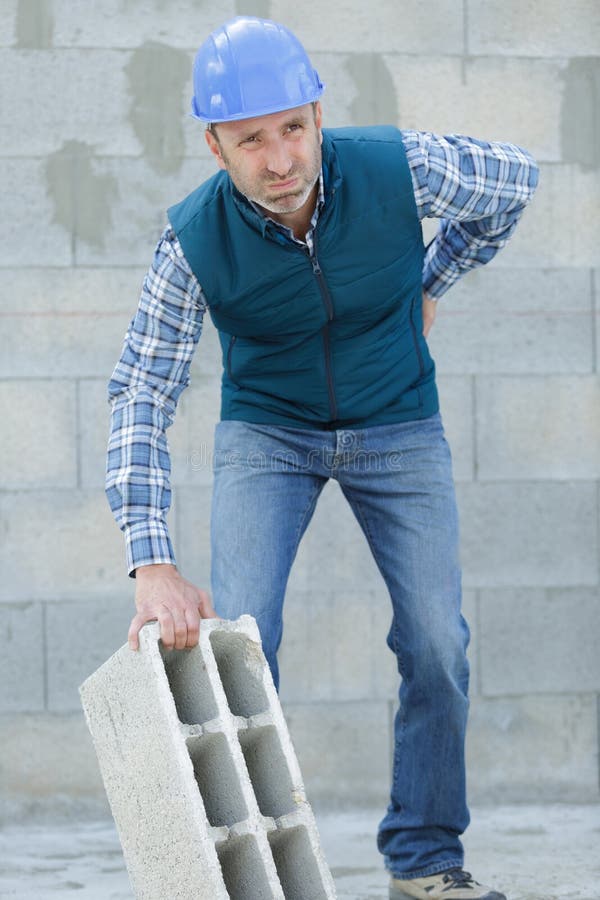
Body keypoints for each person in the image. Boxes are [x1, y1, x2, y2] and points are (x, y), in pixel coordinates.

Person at [106, 16, 538, 900]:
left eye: (293, 128)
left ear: (316, 114)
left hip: (397, 421)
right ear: (214, 145)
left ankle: (424, 861)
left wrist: (429, 281)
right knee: (239, 645)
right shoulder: (190, 240)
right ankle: (242, 877)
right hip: (269, 431)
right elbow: (141, 390)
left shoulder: (396, 165)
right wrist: (151, 562)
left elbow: (517, 180)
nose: (279, 160)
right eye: (250, 140)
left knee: (435, 642)